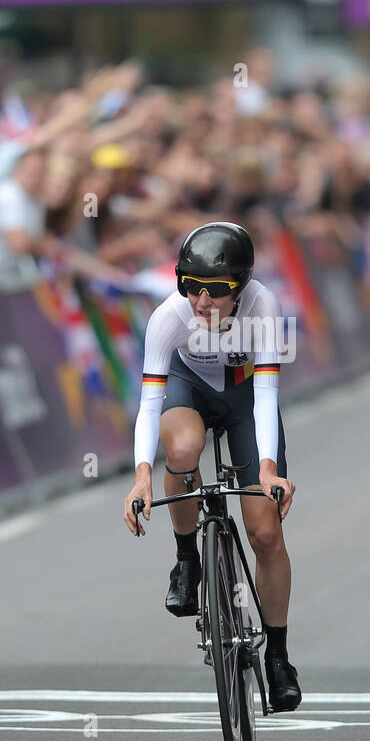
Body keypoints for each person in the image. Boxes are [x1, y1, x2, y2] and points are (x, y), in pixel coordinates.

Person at [122, 221, 301, 711]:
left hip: (245, 401)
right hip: (190, 392)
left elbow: (265, 395)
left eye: (217, 291)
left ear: (241, 287)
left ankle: (278, 656)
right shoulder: (168, 316)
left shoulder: (265, 306)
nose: (202, 302)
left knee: (265, 534)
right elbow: (150, 403)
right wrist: (141, 475)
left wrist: (267, 470)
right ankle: (187, 560)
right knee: (181, 452)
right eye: (191, 287)